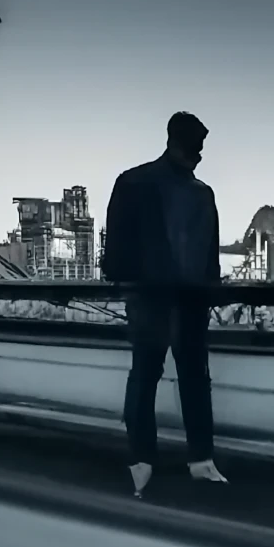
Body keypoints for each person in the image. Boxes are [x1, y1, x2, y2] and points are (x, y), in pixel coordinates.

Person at [102, 112, 229, 496]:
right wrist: (207, 289)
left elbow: (116, 254)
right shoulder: (202, 195)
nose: (201, 155)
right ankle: (200, 460)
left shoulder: (133, 182)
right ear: (186, 143)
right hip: (186, 300)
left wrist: (130, 283)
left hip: (154, 297)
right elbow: (210, 261)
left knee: (145, 377)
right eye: (198, 147)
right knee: (192, 380)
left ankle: (142, 461)